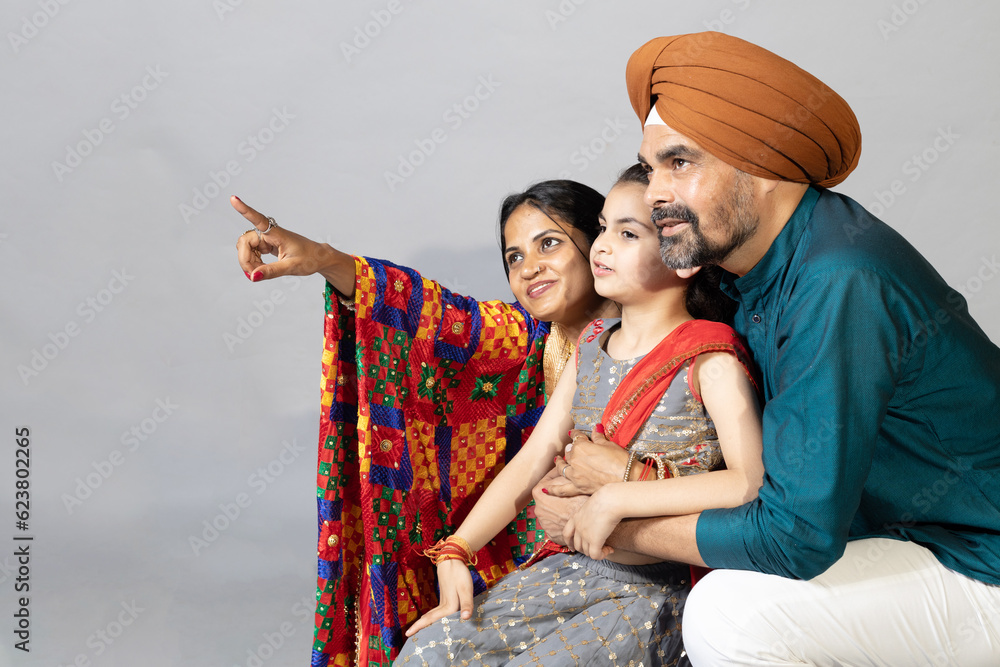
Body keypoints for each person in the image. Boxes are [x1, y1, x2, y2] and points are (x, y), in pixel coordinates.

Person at [532, 32, 1000, 665]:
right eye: (649, 169)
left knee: (732, 612)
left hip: (978, 559)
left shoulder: (839, 279)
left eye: (680, 163)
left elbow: (796, 536)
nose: (654, 193)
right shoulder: (730, 272)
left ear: (761, 165)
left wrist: (611, 519)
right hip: (899, 538)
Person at [232, 181, 618, 666]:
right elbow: (424, 314)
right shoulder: (524, 338)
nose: (529, 268)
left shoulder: (660, 339)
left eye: (549, 243)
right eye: (514, 256)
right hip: (529, 559)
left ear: (600, 242)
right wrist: (326, 260)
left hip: (631, 563)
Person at [394, 165, 764, 666]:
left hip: (656, 591)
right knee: (427, 652)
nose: (601, 245)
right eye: (604, 227)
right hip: (573, 570)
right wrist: (458, 549)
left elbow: (749, 484)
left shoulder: (710, 359)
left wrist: (616, 496)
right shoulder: (591, 347)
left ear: (682, 258)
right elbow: (533, 459)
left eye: (626, 233)